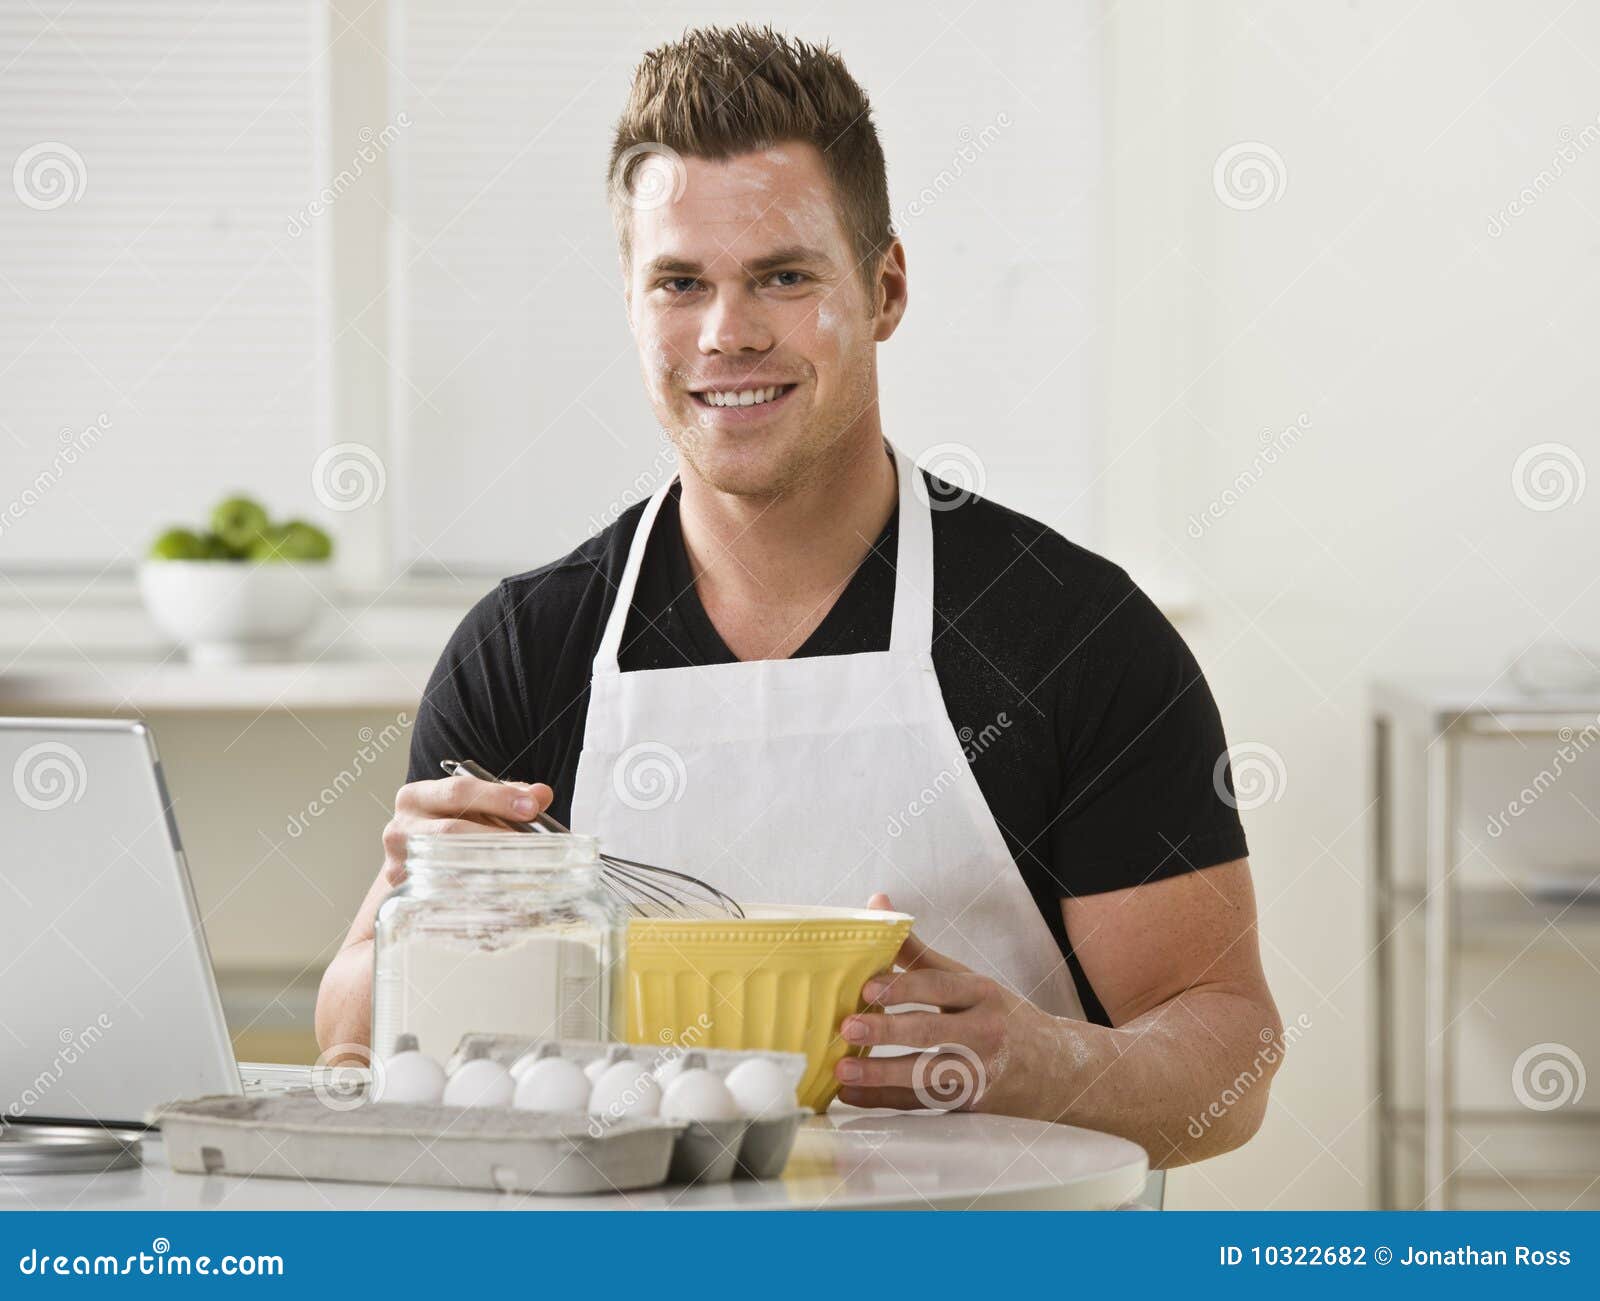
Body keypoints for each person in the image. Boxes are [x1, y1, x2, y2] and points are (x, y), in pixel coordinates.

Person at [316, 23, 1281, 1168]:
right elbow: (350, 1043)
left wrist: (1045, 1062)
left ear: (883, 289)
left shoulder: (1075, 635)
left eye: (782, 275)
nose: (728, 333)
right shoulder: (526, 651)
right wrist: (419, 906)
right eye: (680, 282)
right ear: (631, 303)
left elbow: (1229, 1053)